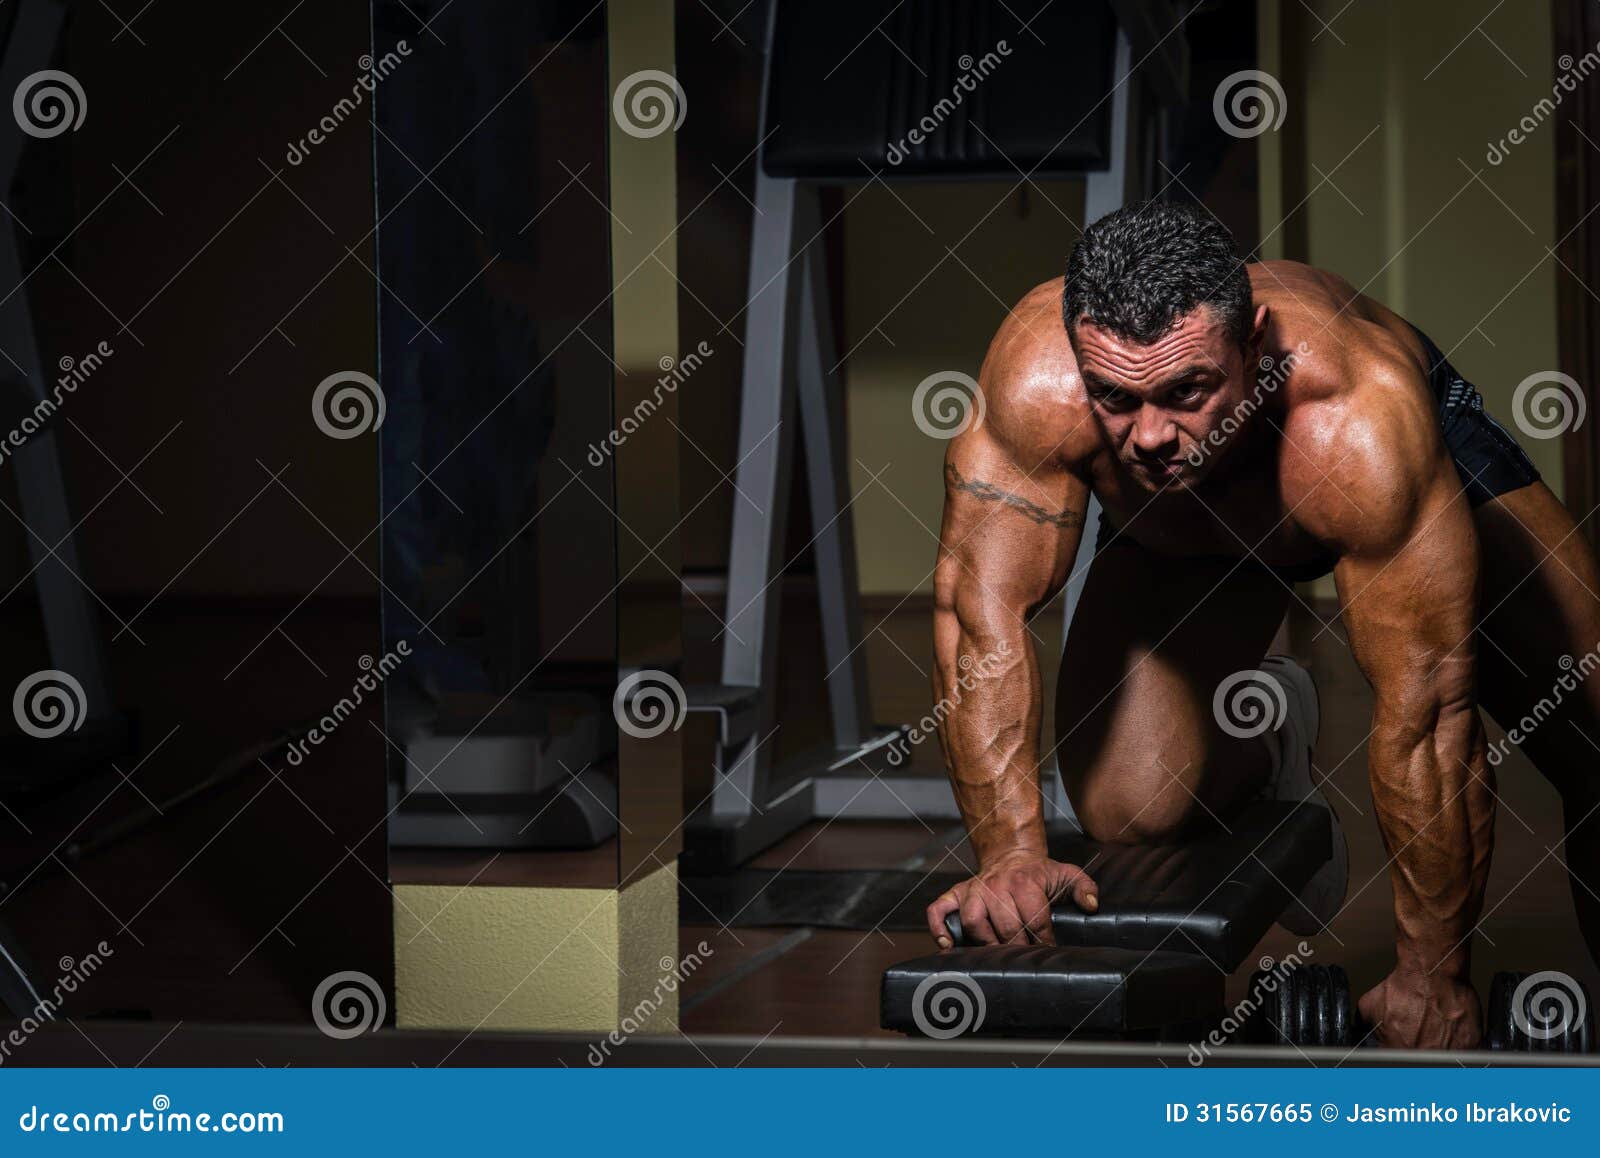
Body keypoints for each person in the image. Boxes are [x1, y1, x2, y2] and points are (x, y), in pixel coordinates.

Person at [925, 198, 1599, 1049]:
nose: (1151, 437)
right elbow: (977, 622)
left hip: (1367, 477)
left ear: (1256, 345)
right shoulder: (1036, 387)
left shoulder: (1359, 422)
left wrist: (1434, 974)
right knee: (1126, 812)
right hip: (1179, 538)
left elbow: (1428, 719)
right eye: (1116, 399)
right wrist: (1011, 853)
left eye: (1186, 391)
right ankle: (1270, 725)